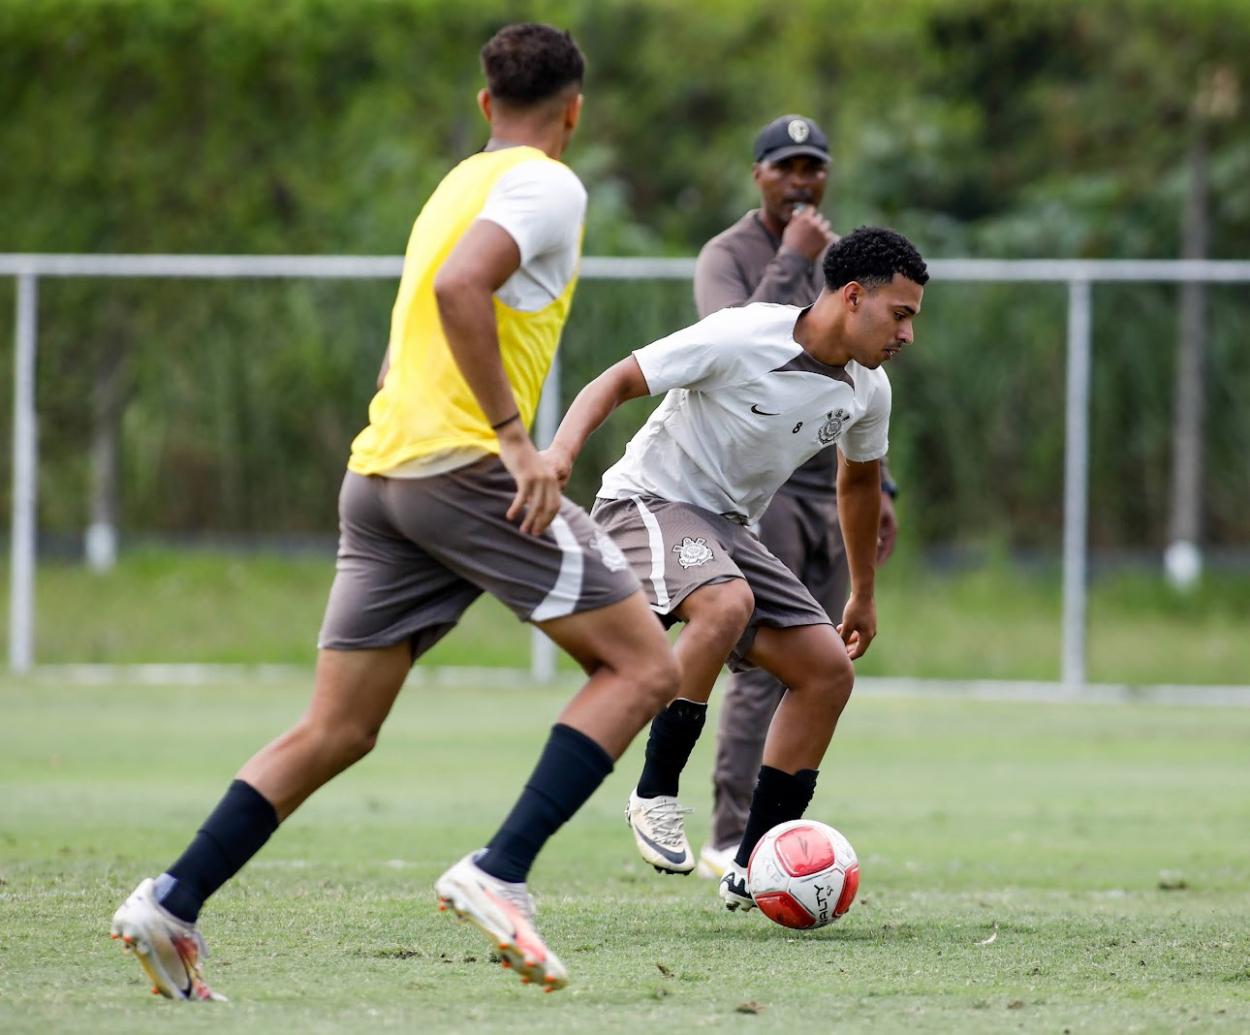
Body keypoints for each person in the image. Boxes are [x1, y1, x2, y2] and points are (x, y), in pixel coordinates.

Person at [109, 23, 679, 999]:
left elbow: (413, 325)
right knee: (645, 664)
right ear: (572, 112)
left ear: (482, 106)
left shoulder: (455, 185)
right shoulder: (548, 182)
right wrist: (511, 439)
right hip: (462, 470)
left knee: (337, 728)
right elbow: (462, 290)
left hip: (380, 477)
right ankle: (498, 871)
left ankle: (171, 900)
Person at [542, 226, 928, 909]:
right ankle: (656, 790)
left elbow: (860, 485)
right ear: (852, 296)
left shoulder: (868, 391)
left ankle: (755, 865)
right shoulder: (741, 335)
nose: (907, 334)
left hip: (729, 529)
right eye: (900, 314)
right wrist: (562, 452)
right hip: (645, 501)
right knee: (726, 604)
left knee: (825, 671)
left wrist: (864, 593)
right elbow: (618, 379)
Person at [693, 115, 900, 879]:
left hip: (830, 490)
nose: (802, 180)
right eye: (786, 166)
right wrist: (791, 259)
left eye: (814, 165)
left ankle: (774, 841)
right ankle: (727, 835)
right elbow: (728, 342)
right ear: (760, 177)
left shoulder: (845, 260)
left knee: (821, 661)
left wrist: (882, 488)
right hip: (760, 490)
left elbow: (855, 380)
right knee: (764, 663)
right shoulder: (732, 254)